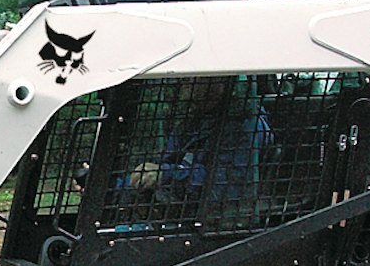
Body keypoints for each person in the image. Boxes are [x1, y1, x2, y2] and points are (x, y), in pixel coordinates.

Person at [115, 75, 271, 224]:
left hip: (216, 226)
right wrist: (115, 188)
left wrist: (166, 176)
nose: (184, 84)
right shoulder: (195, 123)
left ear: (218, 80)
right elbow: (161, 169)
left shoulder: (244, 126)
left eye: (190, 79)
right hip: (180, 215)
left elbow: (226, 187)